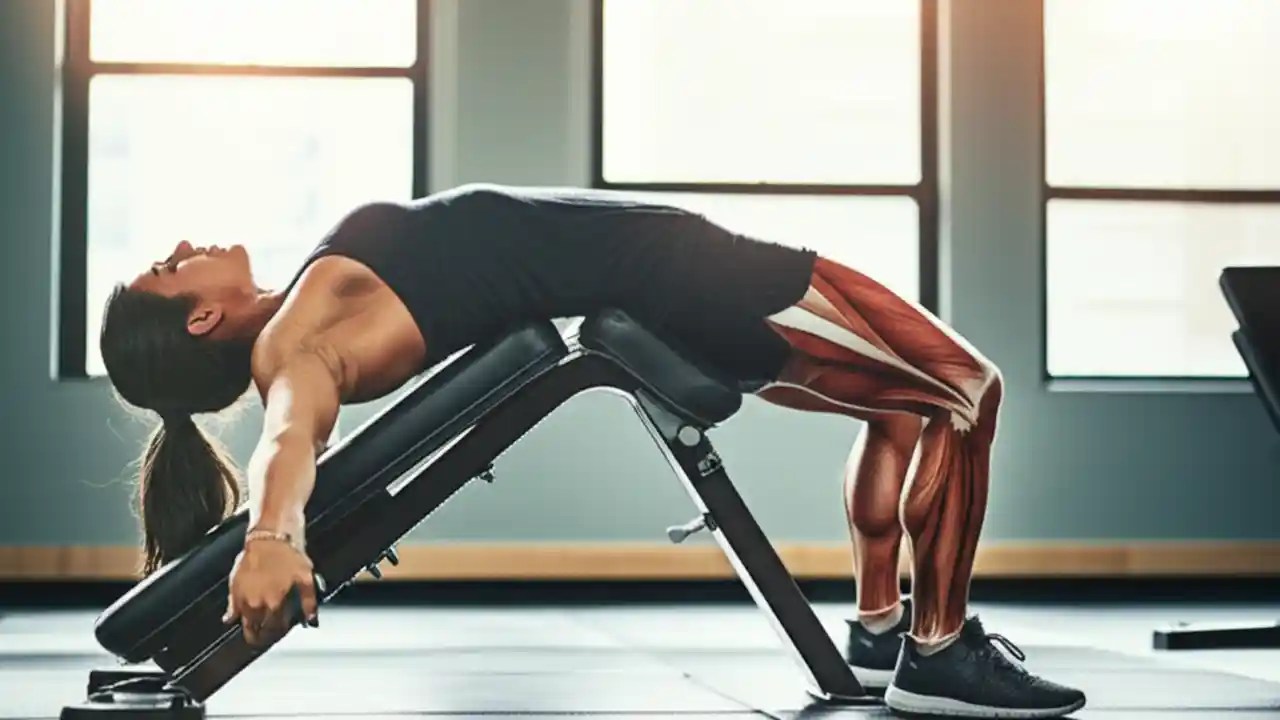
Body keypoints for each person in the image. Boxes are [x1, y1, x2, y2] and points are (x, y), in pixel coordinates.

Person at [99, 183, 1084, 719]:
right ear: (199, 322)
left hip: (685, 273)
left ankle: (878, 632)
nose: (182, 243)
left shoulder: (307, 302)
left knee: (906, 411)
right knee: (963, 394)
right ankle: (939, 649)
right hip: (693, 281)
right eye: (166, 269)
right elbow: (287, 436)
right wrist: (272, 536)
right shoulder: (293, 346)